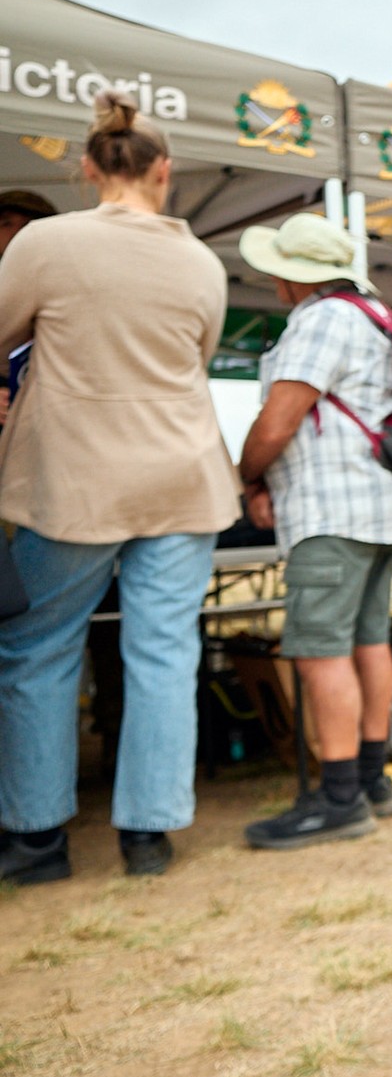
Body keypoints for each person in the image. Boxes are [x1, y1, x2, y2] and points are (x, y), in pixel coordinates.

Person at [0, 91, 237, 884]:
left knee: (37, 650)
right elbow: (195, 361)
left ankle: (37, 841)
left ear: (87, 167)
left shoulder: (44, 243)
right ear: (164, 170)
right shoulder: (202, 261)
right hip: (181, 474)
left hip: (75, 477)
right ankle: (148, 834)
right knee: (164, 652)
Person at [234, 213, 392, 848]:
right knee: (370, 641)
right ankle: (370, 780)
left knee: (320, 651)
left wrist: (248, 479)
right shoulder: (374, 316)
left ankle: (338, 796)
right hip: (381, 507)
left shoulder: (318, 319)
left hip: (329, 509)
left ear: (294, 275)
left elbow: (277, 422)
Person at [0, 190, 56, 431]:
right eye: (6, 224)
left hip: (56, 407)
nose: (17, 233)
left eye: (29, 225)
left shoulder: (71, 284)